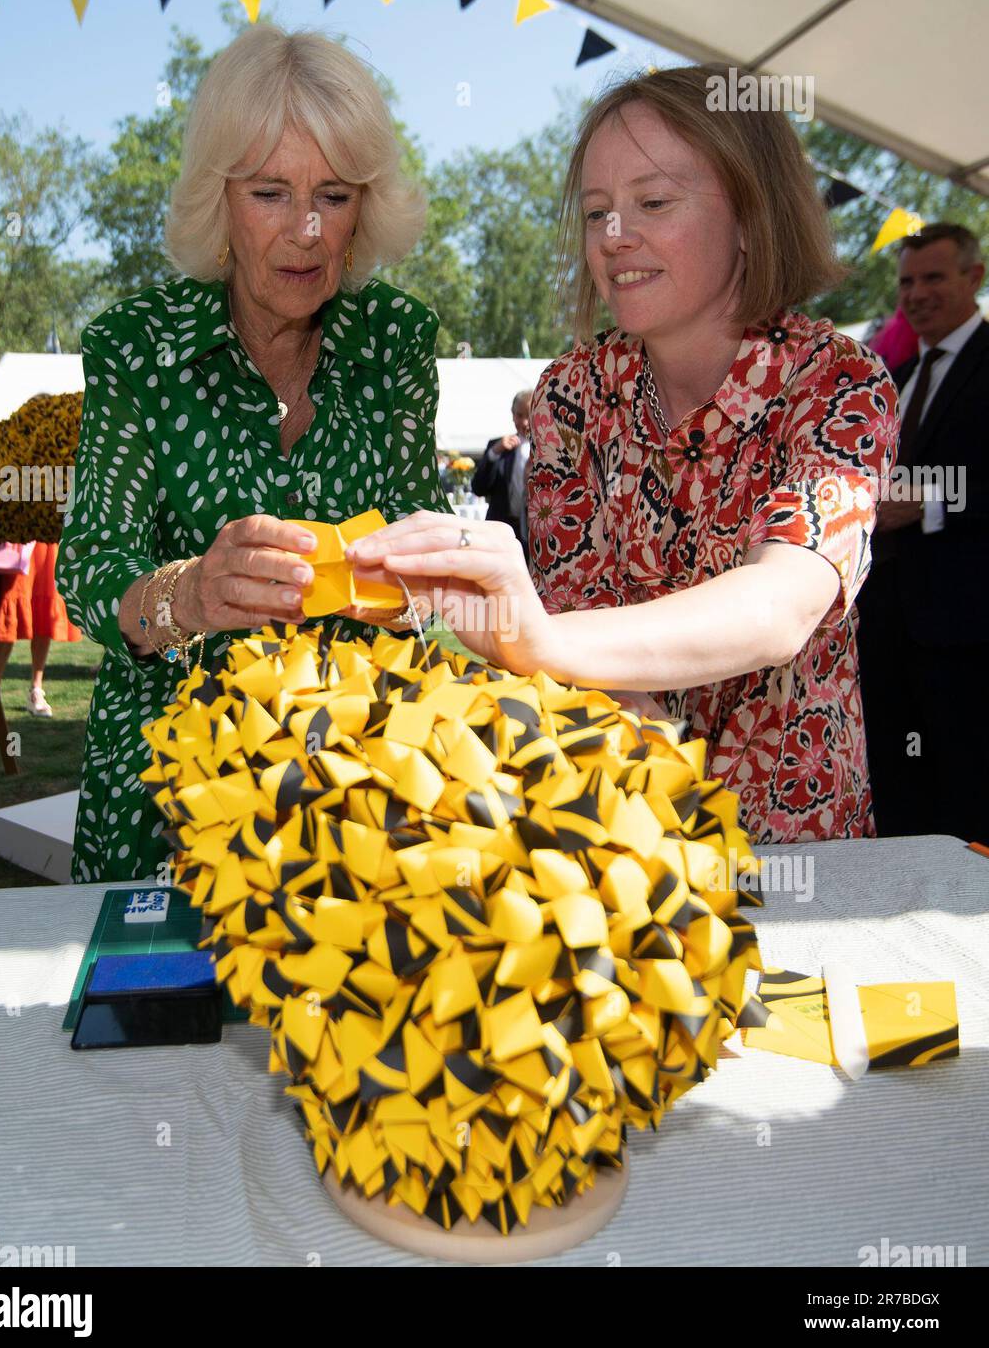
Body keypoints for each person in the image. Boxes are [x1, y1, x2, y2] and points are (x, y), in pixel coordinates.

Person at [345, 65, 899, 845]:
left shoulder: (837, 382)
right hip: (617, 846)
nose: (613, 237)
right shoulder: (571, 393)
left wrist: (535, 638)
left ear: (752, 213)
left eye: (654, 202)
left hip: (797, 860)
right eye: (597, 211)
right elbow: (579, 623)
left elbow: (780, 606)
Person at [55, 26, 451, 883]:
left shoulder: (399, 341)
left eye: (335, 196)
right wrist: (188, 591)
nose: (307, 230)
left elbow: (433, 545)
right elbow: (89, 571)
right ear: (219, 200)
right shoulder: (137, 345)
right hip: (168, 792)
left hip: (358, 784)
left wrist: (414, 584)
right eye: (273, 192)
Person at [857, 223, 988, 842]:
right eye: (907, 281)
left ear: (975, 277)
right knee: (899, 793)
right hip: (886, 632)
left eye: (933, 277)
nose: (916, 293)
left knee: (966, 796)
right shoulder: (896, 374)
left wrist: (931, 502)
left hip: (967, 639)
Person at [0, 542, 82, 717]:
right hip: (18, 541)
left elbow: (65, 513)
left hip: (47, 543)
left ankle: (36, 690)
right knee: (8, 612)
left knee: (44, 614)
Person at [470, 390, 534, 555]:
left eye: (529, 415)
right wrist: (494, 453)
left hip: (534, 533)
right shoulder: (498, 446)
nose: (525, 422)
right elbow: (478, 488)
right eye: (520, 415)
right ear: (512, 415)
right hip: (501, 531)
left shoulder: (547, 448)